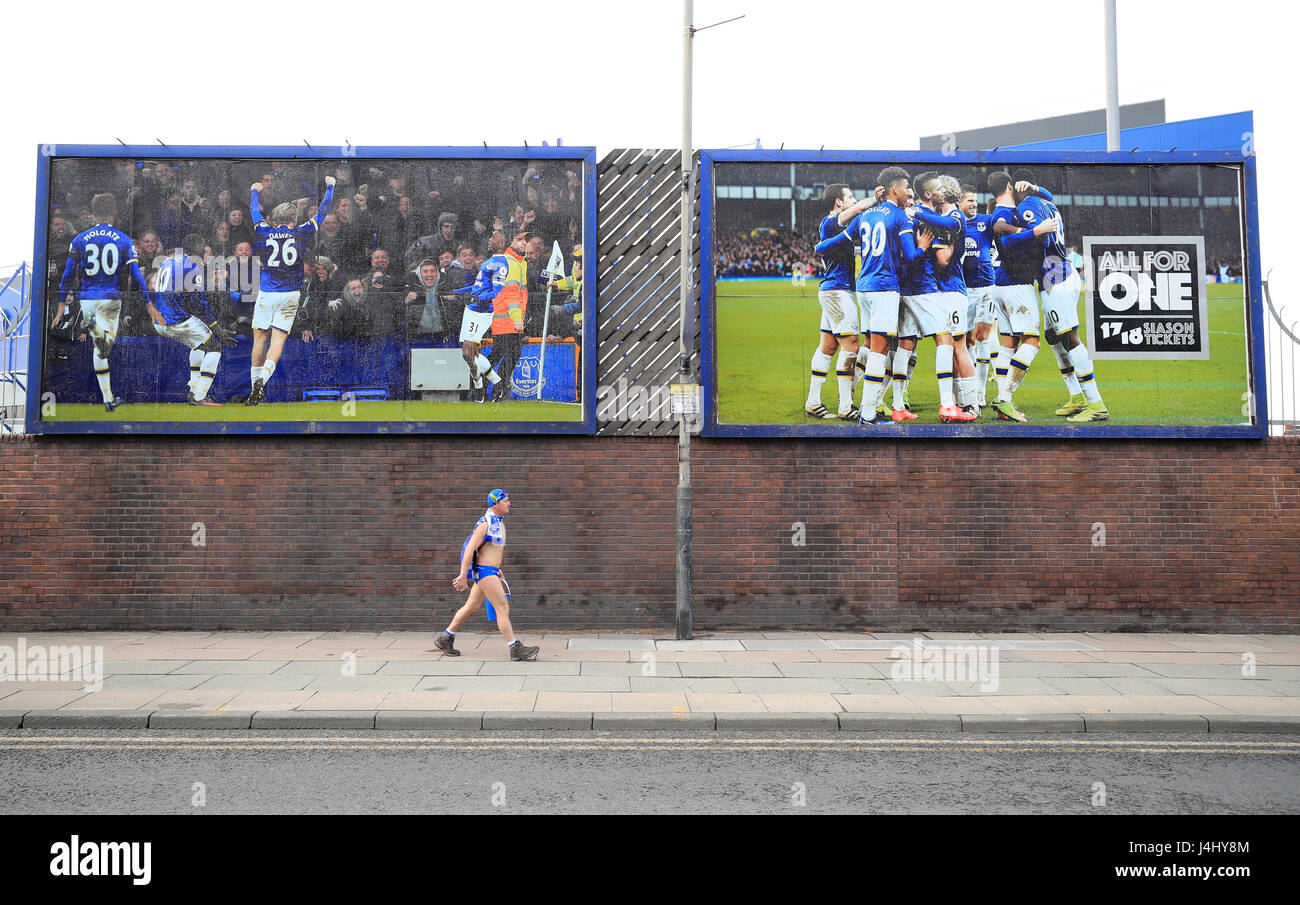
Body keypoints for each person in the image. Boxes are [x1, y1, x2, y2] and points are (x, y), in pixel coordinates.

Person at [53, 192, 157, 411]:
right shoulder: (123, 239)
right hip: (110, 297)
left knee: (98, 350)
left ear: (93, 214)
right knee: (105, 346)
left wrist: (62, 304)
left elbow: (67, 275)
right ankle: (98, 334)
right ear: (115, 213)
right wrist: (148, 303)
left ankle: (108, 400)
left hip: (87, 300)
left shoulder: (79, 239)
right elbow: (137, 276)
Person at [245, 175, 334, 405]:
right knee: (278, 342)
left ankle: (254, 388)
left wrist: (255, 191)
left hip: (266, 292)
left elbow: (254, 211)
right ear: (294, 220)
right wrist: (331, 187)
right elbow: (322, 213)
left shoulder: (265, 231)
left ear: (274, 220)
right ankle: (261, 383)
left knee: (259, 340)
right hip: (291, 294)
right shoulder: (302, 232)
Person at [436, 490, 540, 662]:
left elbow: (491, 550)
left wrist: (496, 567)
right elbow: (470, 548)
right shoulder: (485, 523)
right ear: (495, 504)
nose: (509, 503)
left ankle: (445, 638)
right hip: (485, 572)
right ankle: (514, 648)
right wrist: (463, 575)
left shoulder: (498, 523)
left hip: (489, 571)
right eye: (506, 501)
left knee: (471, 606)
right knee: (503, 608)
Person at [152, 233, 238, 405]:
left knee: (199, 344)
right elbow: (198, 304)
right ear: (198, 249)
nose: (207, 254)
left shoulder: (167, 261)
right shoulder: (192, 267)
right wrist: (217, 328)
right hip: (176, 319)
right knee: (214, 345)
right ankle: (199, 397)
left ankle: (194, 392)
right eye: (205, 250)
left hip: (158, 321)